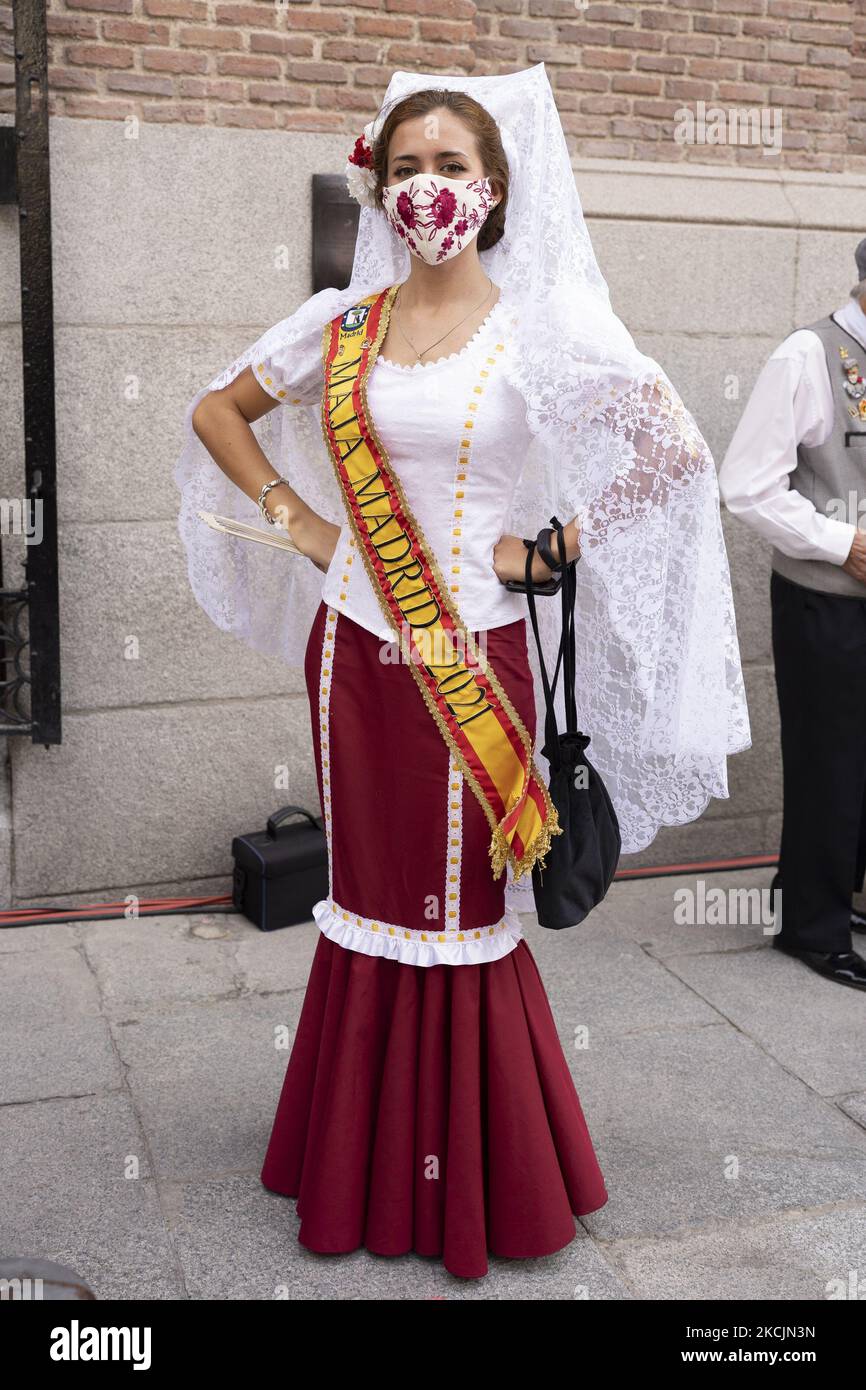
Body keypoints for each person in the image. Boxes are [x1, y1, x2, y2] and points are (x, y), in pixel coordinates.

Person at [176, 63, 750, 1280]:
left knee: (455, 906)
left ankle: (468, 1175)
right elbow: (216, 412)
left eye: (449, 165)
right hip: (354, 651)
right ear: (377, 189)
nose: (425, 187)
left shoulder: (541, 327)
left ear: (492, 189)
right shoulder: (344, 327)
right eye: (404, 167)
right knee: (371, 896)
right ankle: (358, 1157)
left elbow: (668, 455)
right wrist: (301, 521)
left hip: (469, 652)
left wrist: (542, 546)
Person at [719, 238, 866, 993]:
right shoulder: (807, 357)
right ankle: (812, 928)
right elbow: (744, 485)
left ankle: (832, 892)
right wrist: (843, 544)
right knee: (830, 764)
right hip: (828, 599)